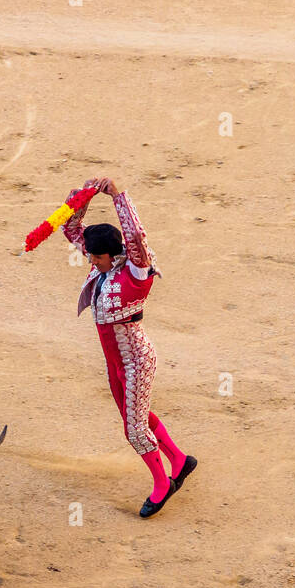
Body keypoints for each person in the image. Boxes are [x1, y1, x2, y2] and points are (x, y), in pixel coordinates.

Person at [62, 177, 196, 517]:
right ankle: (179, 461)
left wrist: (118, 194)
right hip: (115, 364)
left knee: (134, 429)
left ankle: (163, 483)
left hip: (136, 360)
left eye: (97, 256)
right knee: (137, 418)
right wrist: (84, 196)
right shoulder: (102, 264)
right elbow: (70, 227)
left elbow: (136, 237)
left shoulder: (136, 271)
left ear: (114, 253)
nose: (92, 261)